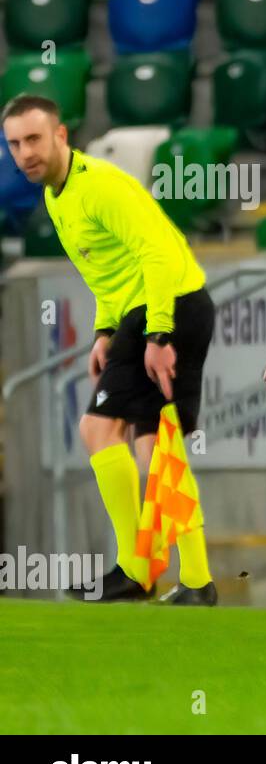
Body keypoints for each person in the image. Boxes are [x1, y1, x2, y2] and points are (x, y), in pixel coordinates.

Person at [3, 94, 217, 604]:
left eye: (33, 139)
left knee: (99, 428)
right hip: (143, 313)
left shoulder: (99, 185)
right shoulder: (56, 196)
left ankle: (137, 570)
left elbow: (158, 252)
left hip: (168, 307)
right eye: (13, 144)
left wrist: (159, 334)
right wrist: (104, 331)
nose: (24, 153)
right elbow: (105, 270)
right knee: (154, 445)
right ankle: (193, 580)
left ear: (61, 135)